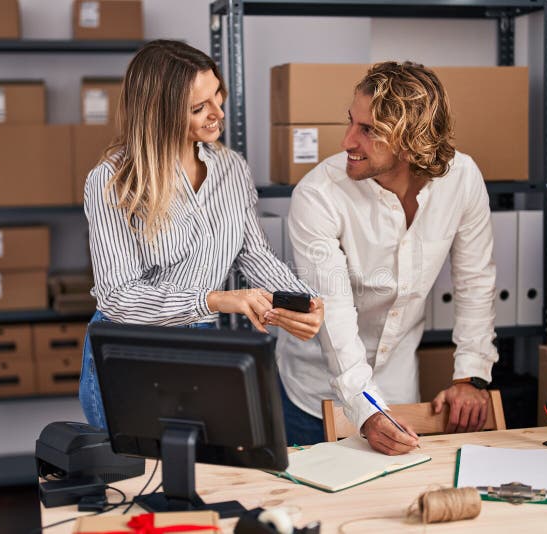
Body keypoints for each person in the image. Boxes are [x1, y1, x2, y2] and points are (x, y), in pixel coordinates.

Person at [79, 40, 323, 430]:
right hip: (130, 356)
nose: (218, 113)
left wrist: (301, 302)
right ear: (159, 114)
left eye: (217, 96)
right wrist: (214, 299)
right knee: (133, 483)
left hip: (201, 348)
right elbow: (117, 297)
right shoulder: (112, 180)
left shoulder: (231, 169)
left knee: (202, 475)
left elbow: (254, 255)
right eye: (199, 108)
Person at [267, 61, 498, 454]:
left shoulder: (464, 179)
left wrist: (470, 376)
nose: (346, 142)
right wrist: (367, 409)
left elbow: (475, 281)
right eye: (351, 121)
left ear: (412, 140)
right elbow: (333, 316)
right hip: (313, 392)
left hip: (398, 390)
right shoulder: (318, 195)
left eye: (369, 130)